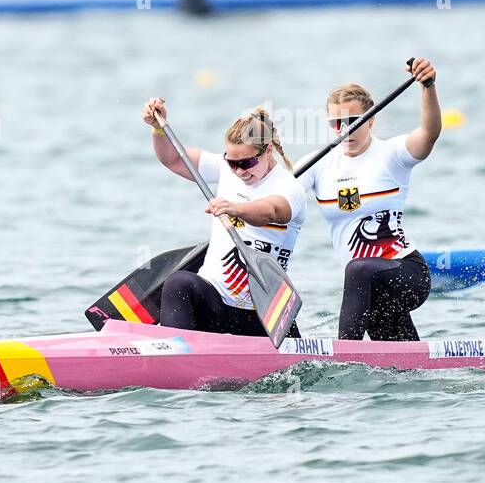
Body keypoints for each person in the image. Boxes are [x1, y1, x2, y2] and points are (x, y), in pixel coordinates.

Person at [299, 58, 441, 341]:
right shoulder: (317, 164)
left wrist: (427, 87)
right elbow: (280, 201)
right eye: (336, 123)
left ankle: (340, 357)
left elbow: (429, 133)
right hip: (368, 291)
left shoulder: (391, 154)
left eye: (353, 121)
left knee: (359, 268)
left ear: (372, 119)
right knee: (399, 370)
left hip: (405, 271)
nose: (345, 129)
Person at [141, 99, 305, 336]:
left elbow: (273, 211)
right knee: (179, 282)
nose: (239, 171)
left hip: (260, 315)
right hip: (215, 303)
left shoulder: (289, 188)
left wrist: (236, 208)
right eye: (232, 162)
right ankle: (173, 354)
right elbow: (173, 159)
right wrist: (157, 127)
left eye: (247, 163)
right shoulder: (224, 170)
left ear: (268, 150)